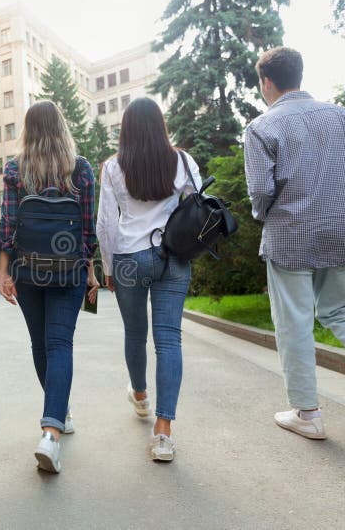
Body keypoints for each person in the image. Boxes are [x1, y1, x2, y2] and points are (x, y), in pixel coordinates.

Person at [244, 47, 345, 445]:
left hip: (288, 236)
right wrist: (342, 200)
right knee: (344, 311)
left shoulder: (262, 127)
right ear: (299, 73)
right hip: (341, 232)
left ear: (267, 82)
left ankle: (307, 414)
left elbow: (260, 191)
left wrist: (267, 215)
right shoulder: (344, 117)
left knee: (294, 321)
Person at [96, 98, 201, 462]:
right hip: (173, 257)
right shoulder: (184, 161)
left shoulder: (112, 167)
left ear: (125, 128)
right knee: (169, 340)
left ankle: (140, 396)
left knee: (135, 334)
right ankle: (163, 432)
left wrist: (108, 268)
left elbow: (106, 223)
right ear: (161, 125)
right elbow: (197, 209)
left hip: (128, 257)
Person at [0, 100, 99, 473]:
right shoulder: (81, 168)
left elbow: (8, 227)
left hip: (28, 270)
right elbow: (87, 230)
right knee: (59, 345)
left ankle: (56, 418)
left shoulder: (15, 169)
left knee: (40, 344)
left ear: (28, 128)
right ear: (61, 126)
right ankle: (52, 430)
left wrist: (4, 272)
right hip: (69, 270)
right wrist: (89, 269)